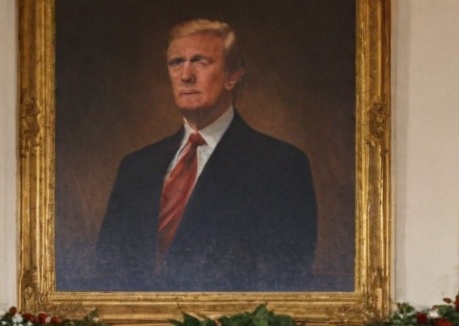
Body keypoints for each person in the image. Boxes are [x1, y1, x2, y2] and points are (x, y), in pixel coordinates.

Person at [90, 18, 317, 293]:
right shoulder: (136, 166)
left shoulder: (280, 165)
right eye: (176, 63)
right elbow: (104, 273)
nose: (186, 75)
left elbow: (284, 281)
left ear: (232, 76)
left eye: (200, 62)